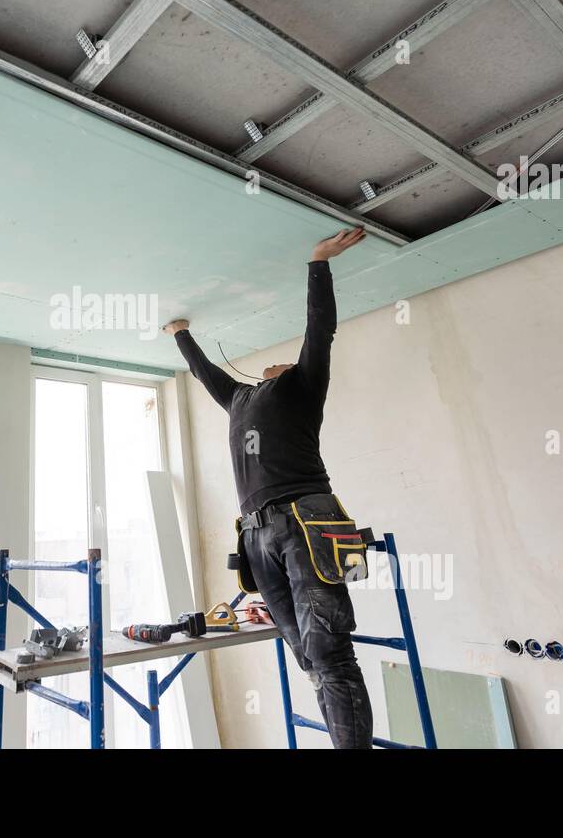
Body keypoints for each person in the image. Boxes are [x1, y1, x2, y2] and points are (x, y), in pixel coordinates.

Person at [163, 227, 373, 748]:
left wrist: (318, 262)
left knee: (329, 652)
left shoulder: (303, 385)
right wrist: (180, 335)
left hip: (307, 519)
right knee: (307, 655)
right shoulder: (238, 398)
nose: (274, 362)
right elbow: (206, 374)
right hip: (257, 535)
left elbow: (319, 329)